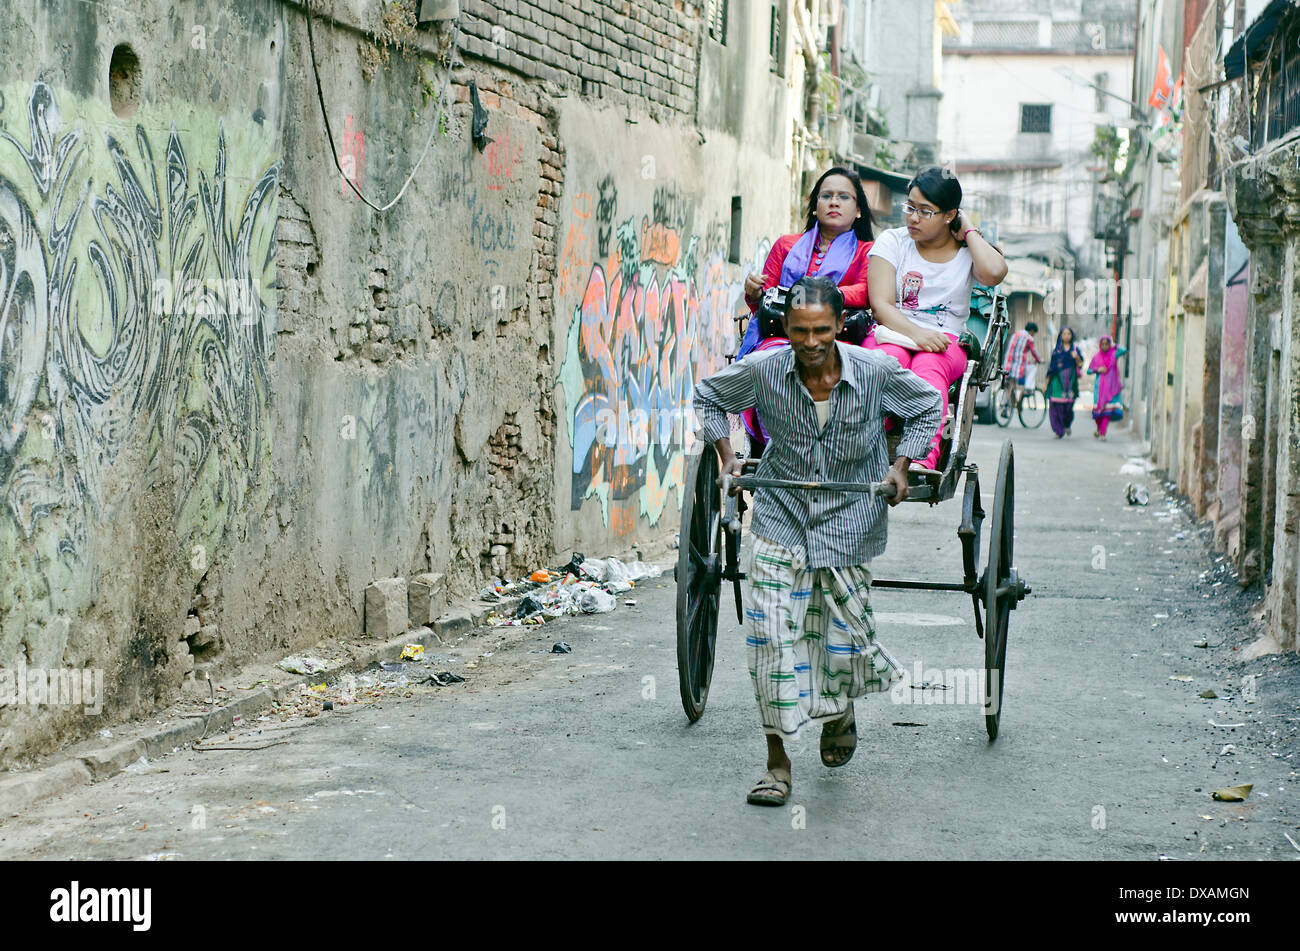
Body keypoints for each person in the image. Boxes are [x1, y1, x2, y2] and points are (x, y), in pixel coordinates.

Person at [692, 276, 943, 807]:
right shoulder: (764, 370)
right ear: (785, 327)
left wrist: (902, 466)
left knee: (841, 634)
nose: (810, 343)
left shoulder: (874, 371)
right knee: (769, 634)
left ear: (839, 327)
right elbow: (710, 397)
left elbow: (925, 406)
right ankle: (776, 763)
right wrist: (727, 454)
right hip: (780, 513)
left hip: (851, 514)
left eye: (822, 331)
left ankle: (839, 708)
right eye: (800, 331)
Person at [863, 166, 1008, 471]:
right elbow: (881, 305)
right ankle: (868, 439)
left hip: (946, 343)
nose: (913, 217)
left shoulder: (967, 253)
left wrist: (967, 227)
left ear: (948, 215)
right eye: (910, 207)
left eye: (925, 211)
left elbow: (995, 273)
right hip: (892, 332)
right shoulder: (893, 242)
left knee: (928, 367)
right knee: (885, 365)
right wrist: (917, 334)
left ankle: (922, 456)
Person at [1044, 326, 1084, 438]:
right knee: (1056, 407)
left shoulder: (1075, 350)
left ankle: (1067, 425)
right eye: (1064, 334)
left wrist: (1076, 358)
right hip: (1057, 383)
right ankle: (1058, 431)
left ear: (1072, 336)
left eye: (1069, 334)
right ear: (1060, 335)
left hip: (1071, 383)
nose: (1066, 336)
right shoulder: (1056, 351)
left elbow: (1080, 366)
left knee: (1068, 409)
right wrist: (1046, 384)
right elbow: (1051, 368)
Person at [1087, 334, 1127, 441]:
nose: (1105, 346)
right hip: (1099, 389)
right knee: (1098, 413)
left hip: (1111, 388)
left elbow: (1124, 350)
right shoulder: (1096, 357)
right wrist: (1097, 369)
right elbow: (1089, 370)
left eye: (1107, 344)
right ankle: (1098, 429)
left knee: (1107, 413)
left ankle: (1103, 433)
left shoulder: (1114, 354)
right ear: (1100, 345)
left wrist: (1115, 345)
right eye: (1103, 344)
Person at [1004, 321, 1043, 406]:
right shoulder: (1029, 338)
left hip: (1007, 363)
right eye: (1034, 333)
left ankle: (1010, 402)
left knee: (1009, 383)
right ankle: (1028, 388)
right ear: (1032, 331)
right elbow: (1034, 352)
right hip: (1017, 365)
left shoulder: (1016, 334)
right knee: (1032, 369)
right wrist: (1040, 360)